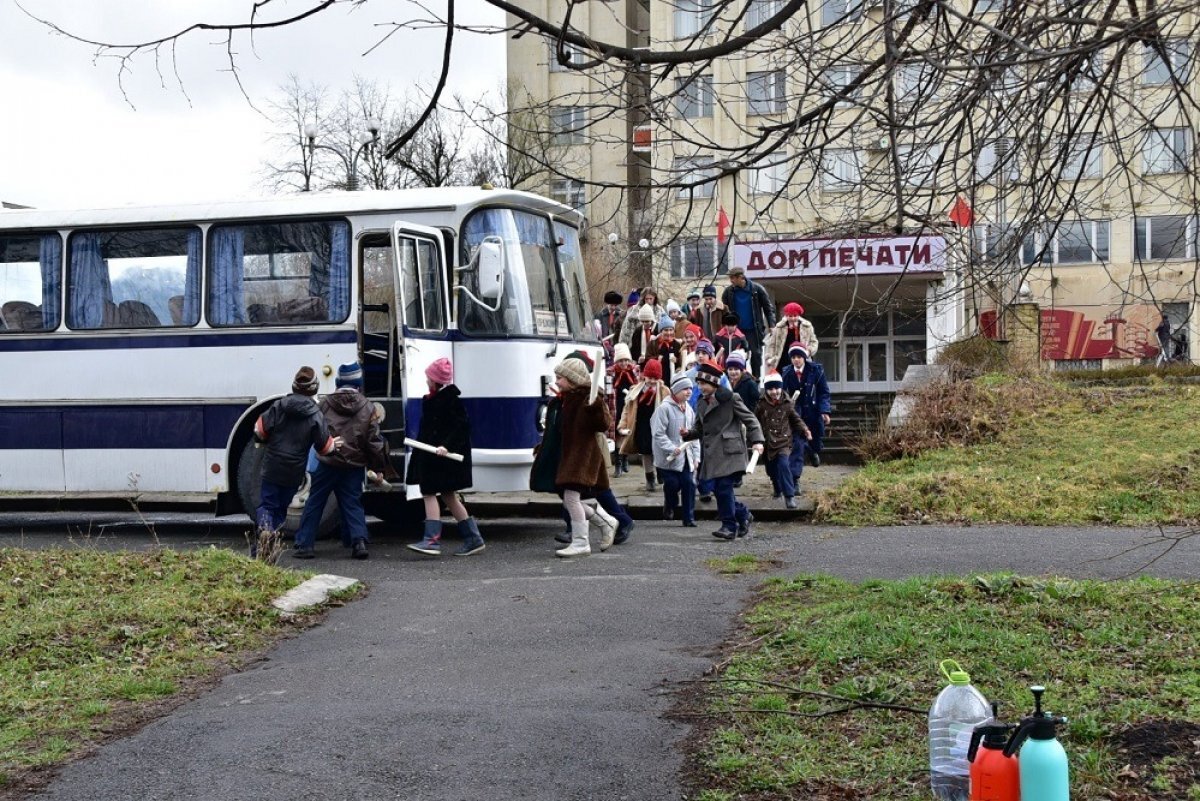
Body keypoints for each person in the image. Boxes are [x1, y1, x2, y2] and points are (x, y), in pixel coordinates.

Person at [293, 362, 388, 560]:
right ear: (358, 384)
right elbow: (374, 442)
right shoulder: (367, 406)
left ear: (337, 383)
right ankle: (359, 542)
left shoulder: (325, 404)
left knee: (315, 501)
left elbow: (316, 430)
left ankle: (305, 545)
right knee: (352, 503)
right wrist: (378, 468)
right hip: (353, 465)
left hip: (328, 461)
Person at [250, 366, 339, 560]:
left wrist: (265, 440)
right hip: (294, 472)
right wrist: (334, 446)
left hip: (272, 466)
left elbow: (260, 430)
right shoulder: (315, 414)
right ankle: (266, 551)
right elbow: (324, 447)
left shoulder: (278, 406)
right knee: (281, 509)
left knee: (268, 504)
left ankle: (265, 532)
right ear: (314, 388)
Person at [533, 355, 613, 558]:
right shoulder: (562, 401)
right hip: (566, 456)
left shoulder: (588, 400)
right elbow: (556, 431)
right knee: (568, 499)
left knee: (571, 498)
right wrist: (543, 448)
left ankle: (581, 542)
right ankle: (606, 522)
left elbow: (603, 423)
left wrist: (595, 407)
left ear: (573, 379)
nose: (557, 381)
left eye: (561, 377)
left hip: (581, 456)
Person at [404, 358, 485, 557]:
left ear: (435, 380)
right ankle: (473, 538)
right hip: (438, 458)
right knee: (448, 496)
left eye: (428, 378)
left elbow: (461, 428)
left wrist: (446, 446)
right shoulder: (440, 400)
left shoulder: (448, 402)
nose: (426, 381)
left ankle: (431, 540)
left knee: (429, 492)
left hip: (440, 459)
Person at [682, 363, 765, 540]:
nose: (701, 387)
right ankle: (743, 515)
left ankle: (729, 526)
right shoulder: (701, 402)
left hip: (730, 451)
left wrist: (757, 440)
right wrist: (688, 434)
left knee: (723, 488)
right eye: (699, 384)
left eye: (703, 383)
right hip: (712, 454)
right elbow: (699, 428)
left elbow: (751, 420)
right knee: (721, 490)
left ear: (713, 383)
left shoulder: (731, 398)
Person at [755, 372, 811, 510]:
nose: (774, 392)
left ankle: (789, 496)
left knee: (784, 465)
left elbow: (795, 419)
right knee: (771, 469)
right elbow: (754, 421)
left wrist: (805, 429)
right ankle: (776, 485)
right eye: (770, 389)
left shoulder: (787, 402)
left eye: (777, 388)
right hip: (768, 442)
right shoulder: (761, 404)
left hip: (784, 441)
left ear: (781, 388)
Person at [651, 374, 701, 527]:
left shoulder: (689, 410)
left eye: (690, 389)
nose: (689, 392)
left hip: (686, 456)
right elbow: (658, 433)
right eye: (685, 389)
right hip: (668, 458)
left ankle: (689, 518)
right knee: (672, 484)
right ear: (676, 390)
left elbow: (694, 434)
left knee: (689, 485)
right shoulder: (663, 409)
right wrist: (672, 448)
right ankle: (670, 504)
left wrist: (696, 456)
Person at [618, 357, 670, 492]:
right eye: (650, 378)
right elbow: (627, 410)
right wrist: (622, 425)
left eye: (655, 378)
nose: (652, 381)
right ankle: (649, 478)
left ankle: (660, 472)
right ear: (644, 376)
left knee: (659, 451)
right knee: (646, 452)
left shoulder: (664, 391)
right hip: (642, 425)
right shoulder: (635, 390)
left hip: (658, 426)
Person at [781, 344, 831, 477]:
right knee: (797, 444)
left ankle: (812, 450)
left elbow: (823, 392)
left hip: (812, 411)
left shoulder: (816, 370)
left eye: (799, 357)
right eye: (793, 357)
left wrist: (824, 411)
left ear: (804, 357)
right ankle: (795, 478)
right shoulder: (786, 372)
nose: (796, 360)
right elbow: (782, 393)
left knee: (815, 441)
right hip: (795, 413)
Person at [721, 265, 777, 376]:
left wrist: (772, 324)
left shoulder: (757, 289)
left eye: (733, 278)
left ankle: (756, 379)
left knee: (756, 355)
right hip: (737, 330)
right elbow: (724, 310)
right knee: (738, 355)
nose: (731, 280)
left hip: (753, 330)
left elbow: (768, 308)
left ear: (740, 277)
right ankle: (740, 379)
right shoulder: (728, 292)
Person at [764, 301, 820, 374]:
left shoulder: (807, 327)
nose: (793, 318)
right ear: (786, 316)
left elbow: (814, 342)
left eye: (795, 316)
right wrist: (769, 358)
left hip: (801, 360)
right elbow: (772, 344)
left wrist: (808, 351)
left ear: (799, 315)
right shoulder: (779, 327)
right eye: (790, 316)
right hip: (783, 361)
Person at [609, 343, 638, 475]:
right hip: (616, 405)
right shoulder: (611, 372)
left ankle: (625, 458)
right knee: (617, 434)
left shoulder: (633, 371)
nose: (624, 363)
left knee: (626, 432)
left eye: (626, 360)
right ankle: (618, 463)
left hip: (628, 405)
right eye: (621, 360)